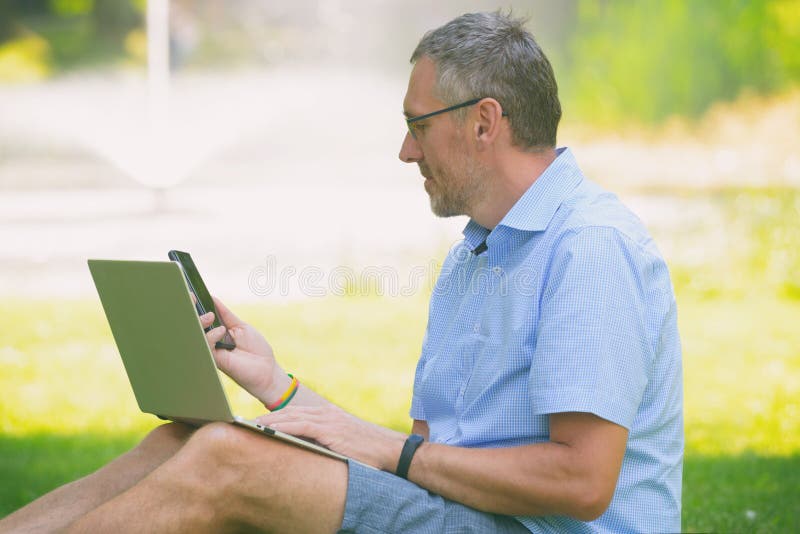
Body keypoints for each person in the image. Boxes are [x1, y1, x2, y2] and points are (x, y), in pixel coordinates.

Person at [0, 11, 682, 534]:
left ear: (484, 123)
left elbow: (581, 482)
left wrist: (389, 453)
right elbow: (426, 457)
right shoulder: (477, 255)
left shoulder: (587, 247)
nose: (405, 150)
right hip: (467, 513)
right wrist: (280, 390)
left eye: (418, 124)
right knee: (181, 440)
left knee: (225, 459)